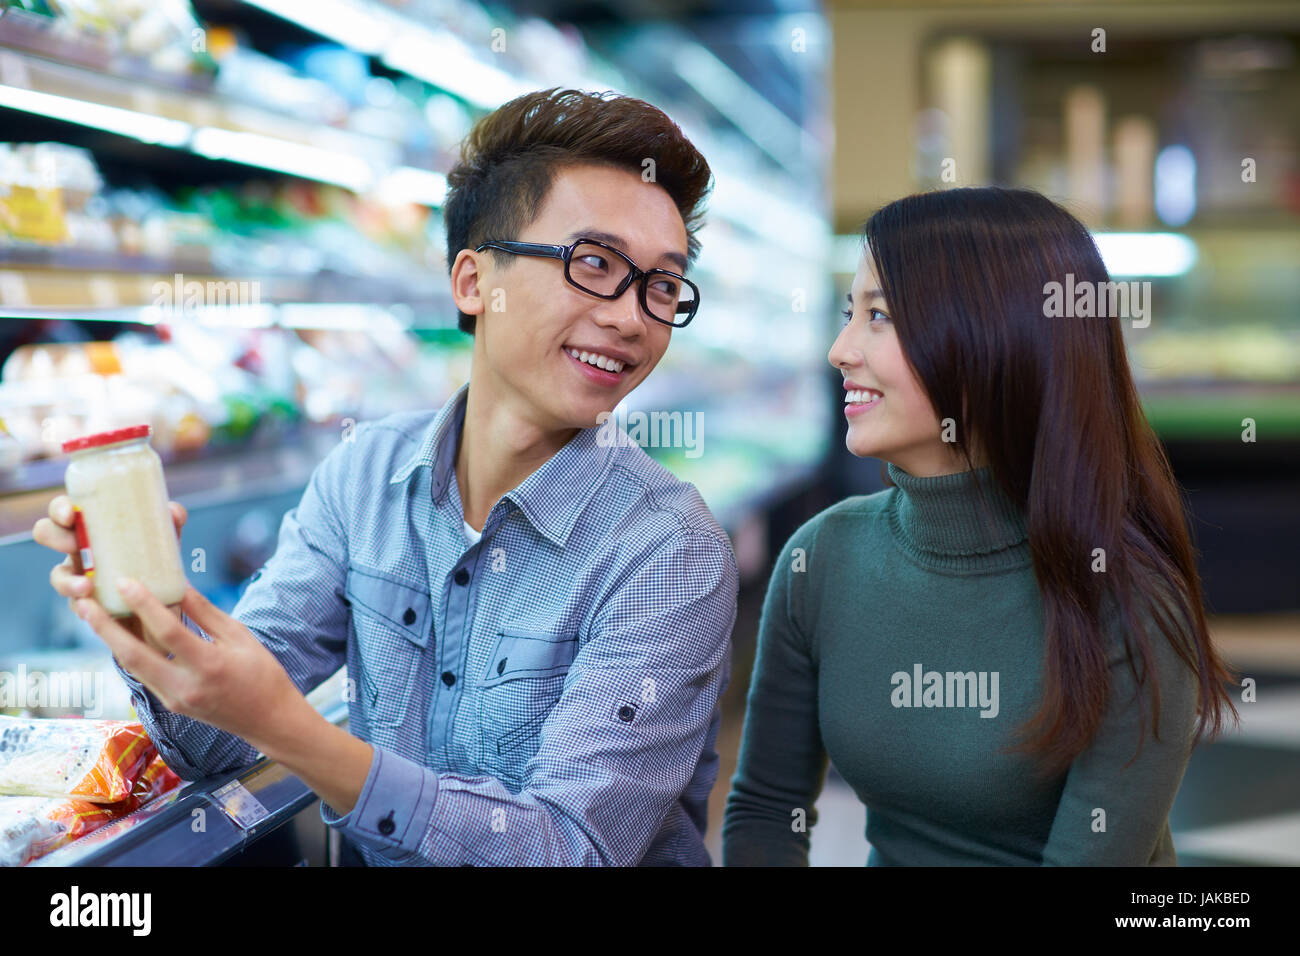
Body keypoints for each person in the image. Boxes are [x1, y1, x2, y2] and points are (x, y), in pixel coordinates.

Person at [35, 87, 738, 867]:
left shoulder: (670, 551)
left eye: (663, 286)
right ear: (473, 282)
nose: (632, 317)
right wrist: (145, 615)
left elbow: (567, 847)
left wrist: (292, 731)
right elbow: (211, 741)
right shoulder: (366, 476)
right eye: (595, 263)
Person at [722, 185, 1241, 866]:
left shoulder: (1129, 602)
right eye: (850, 314)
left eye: (879, 316)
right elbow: (765, 811)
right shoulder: (820, 558)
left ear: (991, 338)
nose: (840, 350)